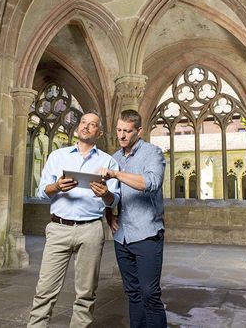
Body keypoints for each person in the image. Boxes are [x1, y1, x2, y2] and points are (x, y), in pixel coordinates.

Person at [28, 110, 120, 328]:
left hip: (91, 230)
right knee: (45, 290)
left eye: (92, 124)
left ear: (99, 132)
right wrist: (57, 186)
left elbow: (113, 201)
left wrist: (104, 193)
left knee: (86, 293)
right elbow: (42, 192)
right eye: (83, 122)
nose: (86, 126)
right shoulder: (57, 157)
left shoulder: (108, 162)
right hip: (58, 228)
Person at [101, 109, 167, 328]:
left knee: (150, 294)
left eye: (127, 131)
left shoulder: (153, 153)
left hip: (147, 233)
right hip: (123, 237)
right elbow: (109, 193)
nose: (122, 136)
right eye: (119, 130)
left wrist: (117, 174)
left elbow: (151, 183)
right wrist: (109, 215)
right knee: (133, 293)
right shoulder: (115, 158)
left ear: (139, 131)